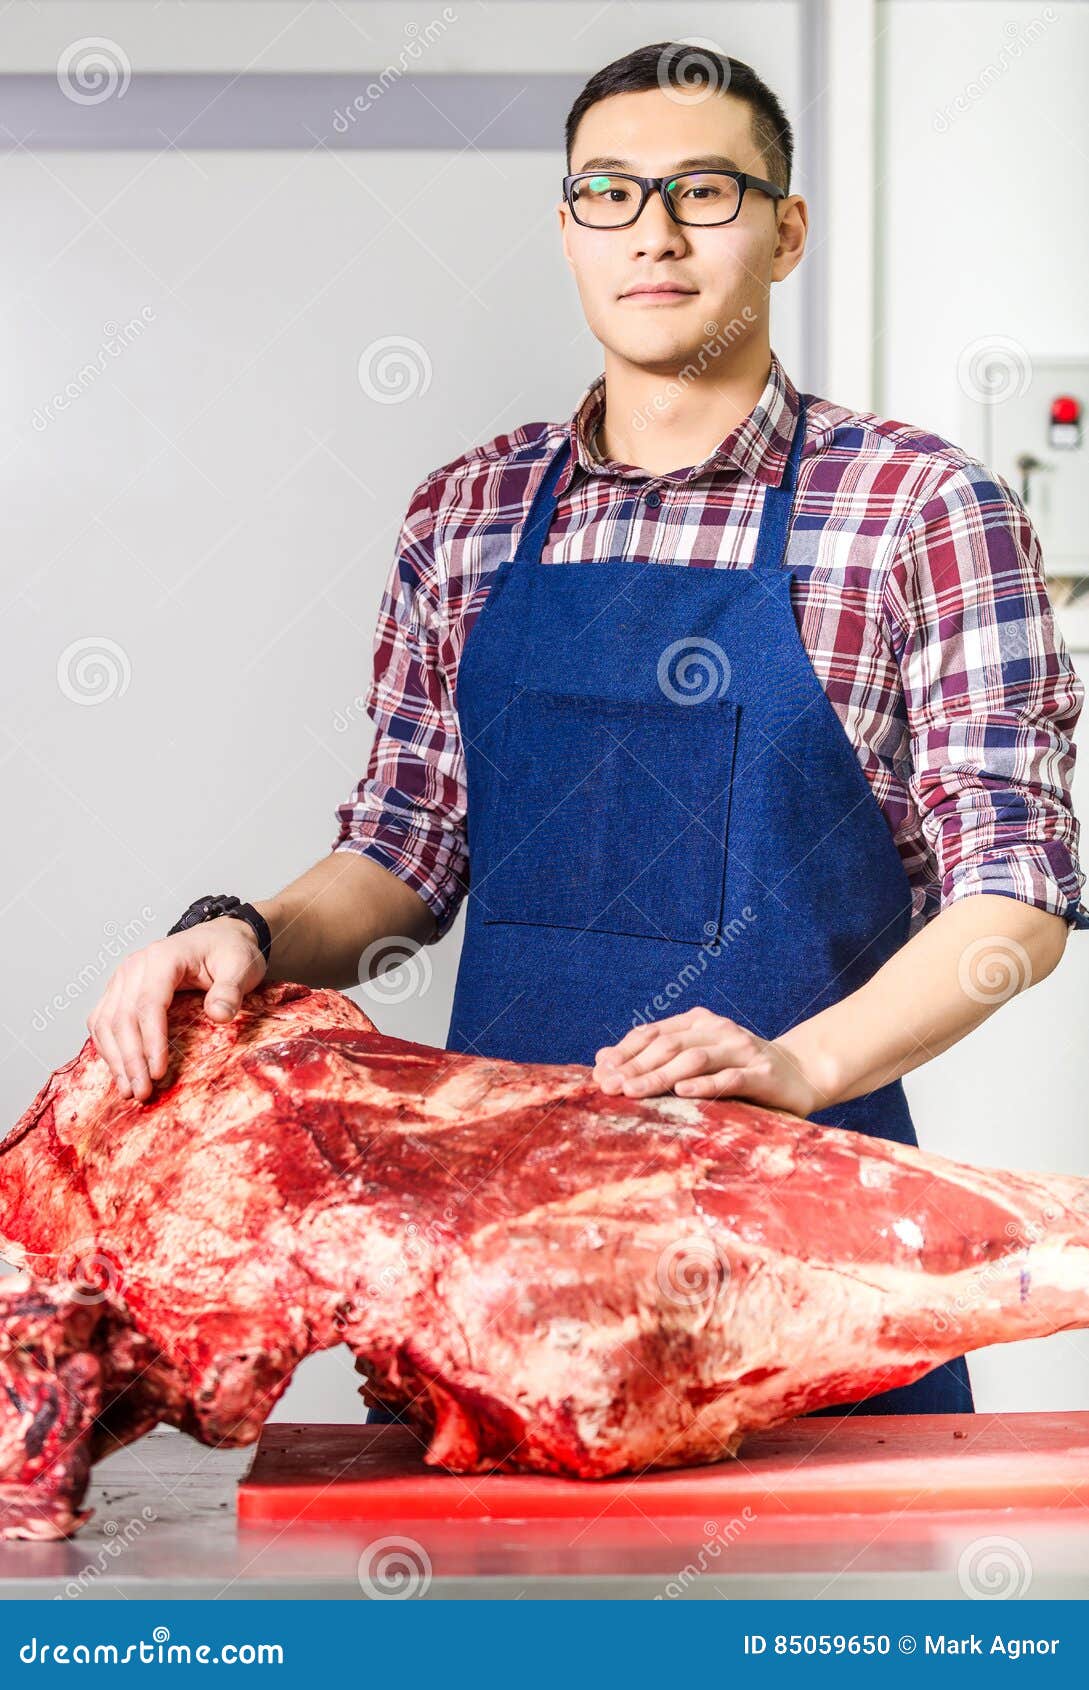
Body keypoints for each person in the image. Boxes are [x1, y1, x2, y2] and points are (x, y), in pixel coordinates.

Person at [88, 43, 1087, 1419]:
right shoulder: (470, 511)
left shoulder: (920, 508)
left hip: (803, 1254)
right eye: (609, 193)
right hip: (489, 1269)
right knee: (501, 1636)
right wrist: (239, 931)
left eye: (704, 191)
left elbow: (1014, 899)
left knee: (826, 1629)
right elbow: (404, 850)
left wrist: (795, 1066)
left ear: (785, 229)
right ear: (567, 227)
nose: (655, 234)